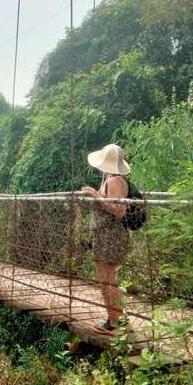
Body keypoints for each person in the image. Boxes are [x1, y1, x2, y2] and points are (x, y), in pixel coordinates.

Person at [81, 143, 131, 335]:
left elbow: (118, 210)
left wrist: (96, 195)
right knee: (110, 279)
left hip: (111, 236)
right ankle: (118, 319)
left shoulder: (114, 181)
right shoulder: (114, 180)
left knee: (106, 280)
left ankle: (114, 323)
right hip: (109, 236)